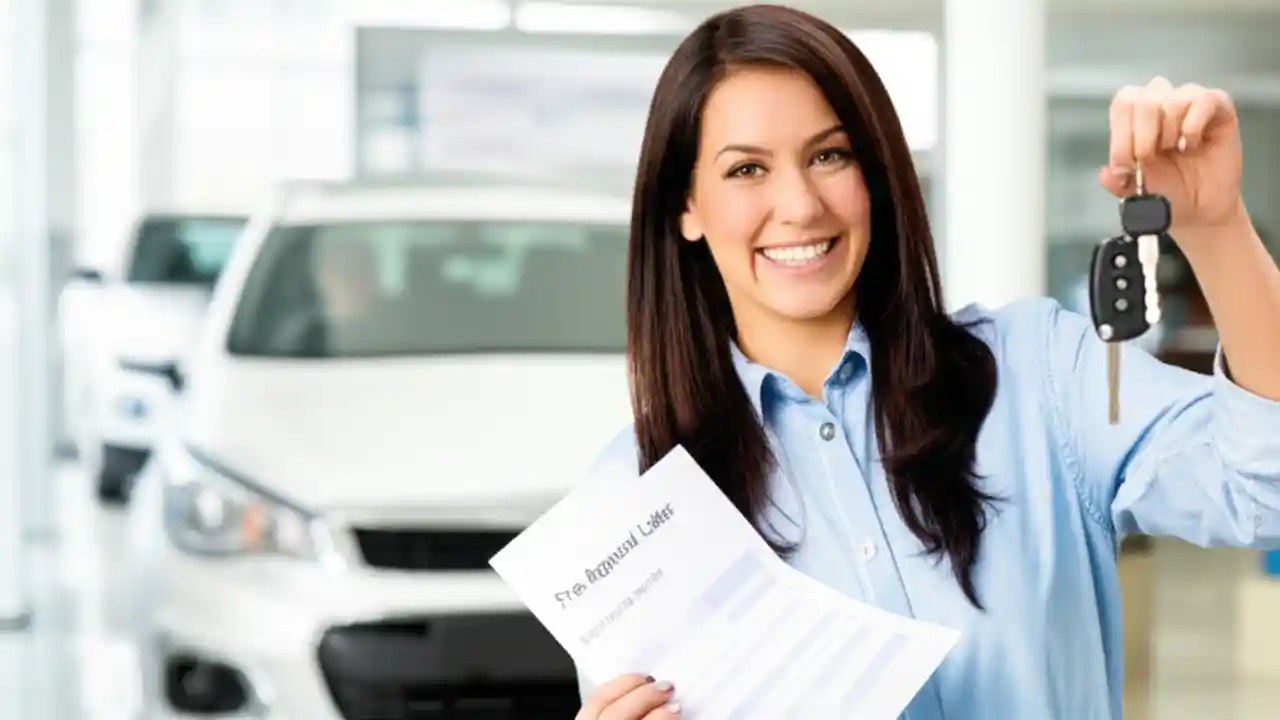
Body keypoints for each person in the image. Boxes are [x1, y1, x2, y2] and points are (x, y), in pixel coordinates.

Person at [575, 4, 1280, 720]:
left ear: (875, 174)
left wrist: (1213, 224)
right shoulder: (638, 491)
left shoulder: (1036, 375)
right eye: (747, 169)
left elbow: (1267, 489)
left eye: (830, 155)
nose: (798, 204)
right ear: (686, 205)